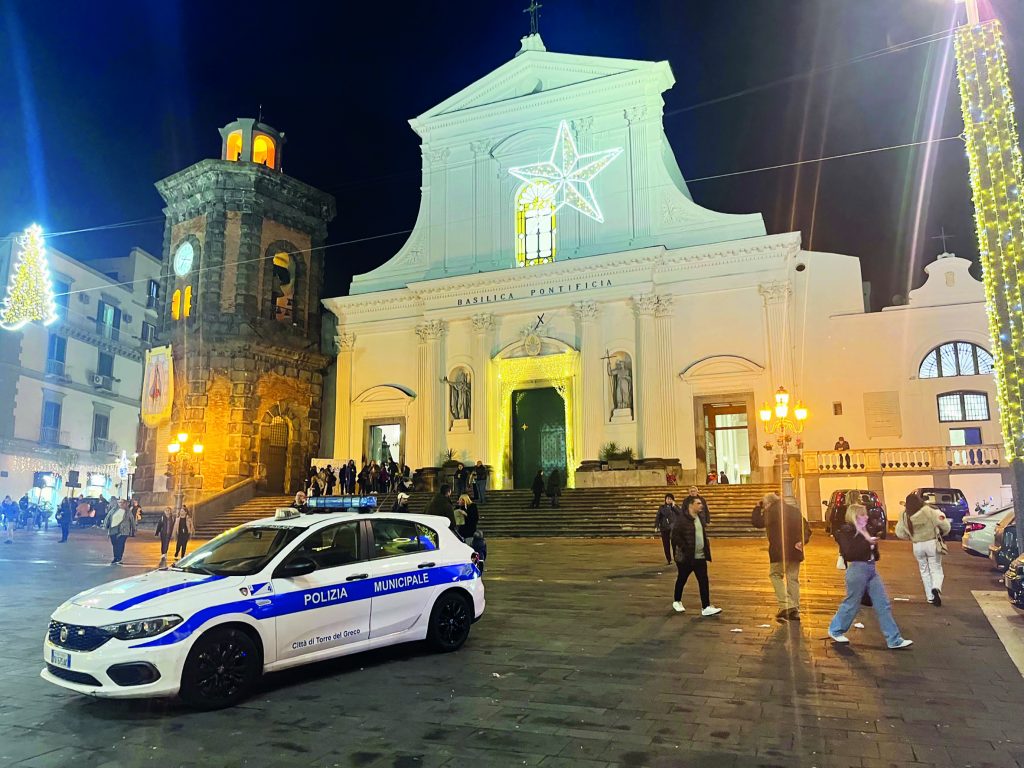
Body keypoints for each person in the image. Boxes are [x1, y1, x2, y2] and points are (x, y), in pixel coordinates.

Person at [828, 502, 913, 649]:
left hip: (871, 568)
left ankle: (894, 639)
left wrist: (872, 544)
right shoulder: (847, 532)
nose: (866, 517)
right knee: (852, 602)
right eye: (863, 515)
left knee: (883, 603)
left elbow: (874, 553)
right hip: (857, 569)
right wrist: (868, 542)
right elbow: (849, 553)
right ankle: (835, 629)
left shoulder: (867, 530)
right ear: (855, 516)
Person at [751, 493, 811, 621]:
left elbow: (757, 522)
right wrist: (802, 541)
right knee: (792, 579)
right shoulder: (794, 510)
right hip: (796, 550)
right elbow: (806, 528)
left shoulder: (772, 511)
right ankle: (795, 610)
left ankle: (787, 604)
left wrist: (757, 508)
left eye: (765, 506)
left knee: (775, 575)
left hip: (779, 551)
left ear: (768, 504)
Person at [670, 495, 722, 616]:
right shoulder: (682, 519)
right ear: (691, 505)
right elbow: (675, 536)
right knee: (682, 578)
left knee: (703, 581)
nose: (701, 505)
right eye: (698, 503)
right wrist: (684, 547)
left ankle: (706, 606)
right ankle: (677, 601)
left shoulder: (700, 518)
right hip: (687, 557)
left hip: (700, 556)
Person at [895, 491, 951, 605]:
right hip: (931, 543)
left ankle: (930, 597)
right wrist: (943, 533)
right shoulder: (930, 511)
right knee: (936, 568)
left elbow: (899, 533)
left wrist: (910, 536)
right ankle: (936, 587)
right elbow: (945, 525)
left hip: (917, 545)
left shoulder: (904, 515)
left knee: (924, 571)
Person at [102, 499, 137, 565]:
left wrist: (134, 529)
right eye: (119, 502)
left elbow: (132, 520)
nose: (121, 504)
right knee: (115, 544)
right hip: (113, 530)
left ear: (126, 504)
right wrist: (105, 526)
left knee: (120, 544)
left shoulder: (128, 512)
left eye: (123, 502)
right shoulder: (113, 510)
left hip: (124, 531)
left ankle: (119, 558)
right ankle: (115, 557)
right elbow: (107, 518)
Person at [654, 493, 679, 564]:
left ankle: (676, 557)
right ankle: (669, 559)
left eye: (670, 499)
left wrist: (674, 507)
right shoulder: (662, 507)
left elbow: (680, 514)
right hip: (664, 528)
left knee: (674, 544)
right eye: (667, 499)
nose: (669, 500)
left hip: (673, 528)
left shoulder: (675, 507)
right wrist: (656, 526)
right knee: (666, 544)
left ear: (673, 500)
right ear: (665, 500)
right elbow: (658, 517)